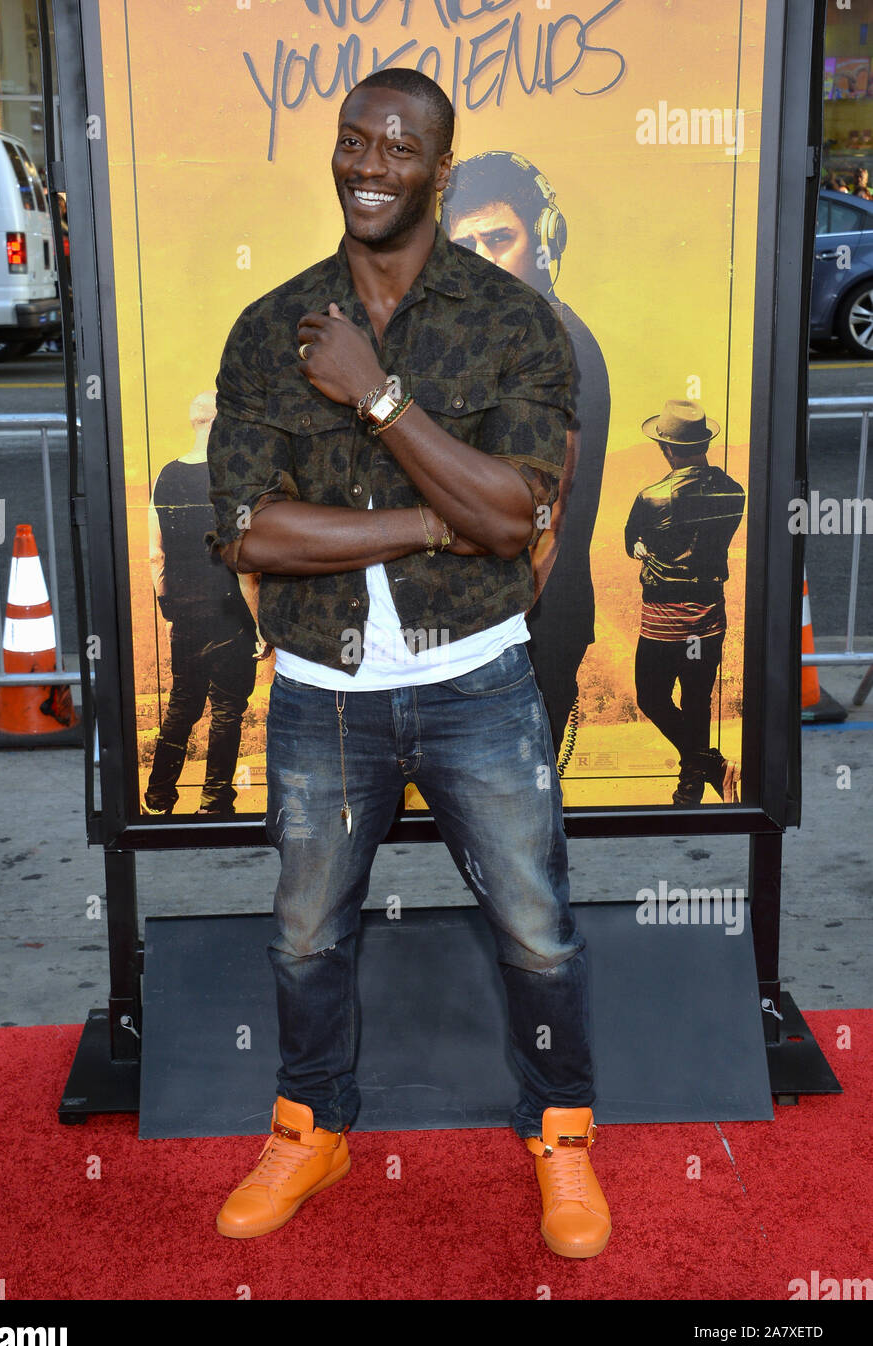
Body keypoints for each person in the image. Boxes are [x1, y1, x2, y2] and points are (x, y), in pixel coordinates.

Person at [206, 67, 610, 1259]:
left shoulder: (514, 321)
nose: (369, 164)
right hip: (324, 693)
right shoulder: (271, 326)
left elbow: (515, 514)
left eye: (399, 147)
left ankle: (565, 1138)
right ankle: (310, 1126)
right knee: (306, 934)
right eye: (352, 141)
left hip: (479, 679)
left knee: (537, 931)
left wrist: (378, 398)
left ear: (440, 167)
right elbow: (247, 530)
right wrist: (431, 520)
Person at [441, 153, 610, 762]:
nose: (482, 259)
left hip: (527, 629)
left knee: (516, 824)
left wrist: (485, 641)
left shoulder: (555, 345)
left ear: (544, 237)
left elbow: (548, 523)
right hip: (505, 626)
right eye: (466, 244)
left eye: (500, 238)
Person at [624, 400, 746, 807]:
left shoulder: (650, 497)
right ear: (704, 442)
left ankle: (703, 768)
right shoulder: (734, 492)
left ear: (667, 449)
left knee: (651, 697)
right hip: (709, 614)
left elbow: (632, 541)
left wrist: (643, 547)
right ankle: (696, 776)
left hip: (661, 617)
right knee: (697, 697)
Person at [144, 391, 258, 816]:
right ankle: (214, 799)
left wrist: (167, 604)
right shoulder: (233, 480)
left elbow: (155, 553)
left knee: (182, 703)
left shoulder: (164, 476)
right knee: (227, 709)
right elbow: (245, 563)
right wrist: (260, 624)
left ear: (194, 422)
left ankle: (158, 796)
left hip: (186, 612)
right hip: (231, 612)